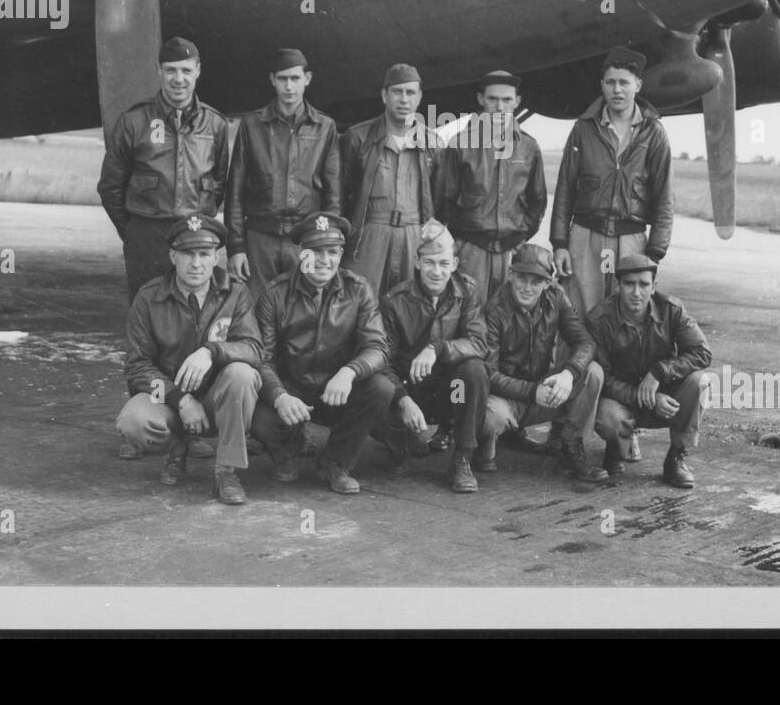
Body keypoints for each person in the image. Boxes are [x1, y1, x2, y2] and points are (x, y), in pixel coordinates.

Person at [98, 35, 231, 462]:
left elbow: (222, 184)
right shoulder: (134, 121)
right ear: (160, 72)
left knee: (194, 325)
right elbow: (111, 185)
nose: (178, 78)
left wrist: (202, 237)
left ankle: (188, 426)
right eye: (170, 70)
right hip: (147, 236)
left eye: (186, 71)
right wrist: (133, 230)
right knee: (145, 329)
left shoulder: (215, 124)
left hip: (193, 239)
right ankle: (137, 427)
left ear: (198, 73)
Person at [549, 46, 675, 463]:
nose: (617, 90)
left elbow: (664, 198)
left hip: (631, 241)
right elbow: (565, 187)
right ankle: (563, 424)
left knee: (628, 329)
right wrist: (560, 243)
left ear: (638, 85)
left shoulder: (654, 133)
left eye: (624, 82)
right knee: (579, 325)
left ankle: (624, 427)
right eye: (610, 82)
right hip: (585, 237)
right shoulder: (584, 129)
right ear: (601, 86)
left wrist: (652, 254)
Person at [114, 215, 265, 505]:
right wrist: (181, 399)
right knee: (133, 420)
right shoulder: (149, 298)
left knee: (242, 375)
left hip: (217, 398)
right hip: (169, 401)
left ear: (216, 257)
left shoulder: (235, 293)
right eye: (187, 254)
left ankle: (226, 471)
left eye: (204, 254)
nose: (196, 264)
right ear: (173, 256)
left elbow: (253, 348)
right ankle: (176, 448)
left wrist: (211, 351)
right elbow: (137, 366)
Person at [250, 212, 396, 495]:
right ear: (300, 254)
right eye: (315, 252)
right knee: (260, 415)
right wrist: (280, 396)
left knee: (381, 388)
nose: (323, 260)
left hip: (335, 391)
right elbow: (262, 358)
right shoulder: (275, 294)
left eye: (331, 251)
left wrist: (348, 372)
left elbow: (378, 347)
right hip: (292, 390)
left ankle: (335, 462)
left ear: (341, 255)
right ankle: (288, 450)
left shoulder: (358, 290)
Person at [479, 243, 609, 483]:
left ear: (548, 282)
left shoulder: (557, 297)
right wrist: (531, 391)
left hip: (542, 387)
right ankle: (494, 440)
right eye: (521, 278)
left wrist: (568, 374)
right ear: (510, 275)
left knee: (592, 372)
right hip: (508, 396)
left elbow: (586, 342)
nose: (527, 288)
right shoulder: (494, 309)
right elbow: (489, 373)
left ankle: (569, 444)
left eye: (536, 281)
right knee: (490, 418)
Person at [379, 220, 490, 493]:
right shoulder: (395, 301)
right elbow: (383, 360)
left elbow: (479, 343)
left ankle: (462, 458)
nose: (436, 271)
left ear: (454, 263)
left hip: (450, 393)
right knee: (377, 390)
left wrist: (437, 348)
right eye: (429, 262)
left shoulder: (467, 292)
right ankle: (403, 437)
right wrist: (403, 401)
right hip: (410, 391)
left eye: (443, 263)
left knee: (472, 371)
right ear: (417, 262)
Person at [586, 253, 712, 487]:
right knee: (607, 417)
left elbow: (702, 353)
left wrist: (660, 371)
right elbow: (604, 378)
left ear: (654, 286)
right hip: (621, 399)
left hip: (664, 394)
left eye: (643, 284)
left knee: (700, 381)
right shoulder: (599, 319)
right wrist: (651, 399)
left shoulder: (671, 309)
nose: (636, 292)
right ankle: (617, 446)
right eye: (629, 284)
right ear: (617, 285)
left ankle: (676, 456)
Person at [224, 47, 340, 296]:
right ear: (272, 80)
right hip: (260, 240)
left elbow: (334, 193)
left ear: (307, 79)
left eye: (295, 78)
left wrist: (325, 244)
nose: (289, 86)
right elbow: (235, 191)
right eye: (283, 79)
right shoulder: (252, 125)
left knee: (303, 312)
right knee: (256, 312)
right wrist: (236, 247)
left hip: (304, 239)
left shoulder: (324, 127)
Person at [433, 70, 546, 303]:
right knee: (467, 312)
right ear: (480, 99)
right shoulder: (460, 144)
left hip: (511, 251)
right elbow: (444, 199)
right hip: (469, 248)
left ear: (517, 102)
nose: (499, 106)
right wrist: (458, 242)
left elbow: (537, 200)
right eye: (493, 99)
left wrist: (521, 237)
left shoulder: (529, 146)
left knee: (505, 318)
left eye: (506, 100)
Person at [339, 63, 440, 300]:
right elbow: (341, 193)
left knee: (409, 305)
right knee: (359, 301)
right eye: (397, 92)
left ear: (419, 98)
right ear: (385, 95)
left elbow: (440, 197)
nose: (404, 99)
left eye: (410, 93)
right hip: (368, 234)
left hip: (414, 235)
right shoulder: (357, 137)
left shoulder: (432, 143)